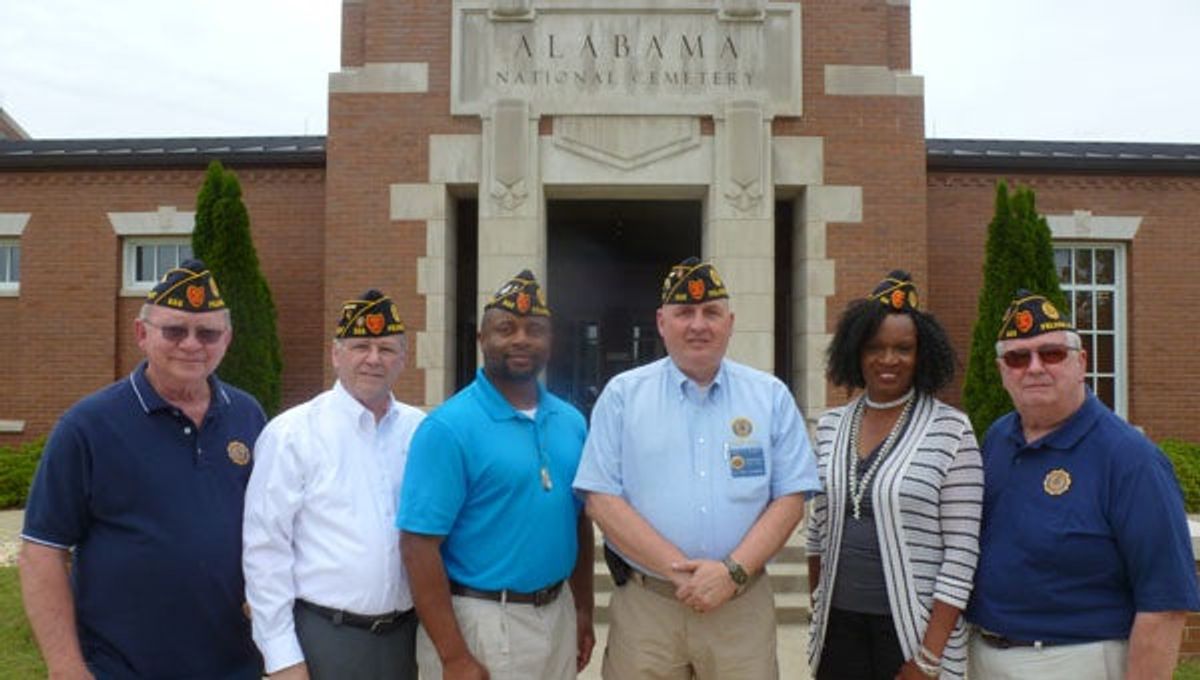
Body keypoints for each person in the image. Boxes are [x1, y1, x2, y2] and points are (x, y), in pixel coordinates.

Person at [573, 256, 820, 679]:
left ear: (730, 322)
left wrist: (731, 573)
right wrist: (683, 574)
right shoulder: (623, 396)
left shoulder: (771, 397)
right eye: (684, 312)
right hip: (648, 610)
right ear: (661, 322)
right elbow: (600, 500)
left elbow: (790, 499)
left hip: (740, 608)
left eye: (711, 312)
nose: (698, 324)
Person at [18, 259, 266, 679]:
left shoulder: (248, 416)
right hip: (123, 668)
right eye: (174, 330)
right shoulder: (87, 426)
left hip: (235, 666)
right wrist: (66, 669)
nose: (192, 344)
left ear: (227, 339)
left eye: (207, 333)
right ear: (141, 334)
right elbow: (42, 550)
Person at [966, 290, 1200, 679]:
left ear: (1082, 363)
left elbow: (1164, 604)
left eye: (1052, 353)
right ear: (1002, 370)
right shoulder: (996, 439)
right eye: (1018, 357)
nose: (1034, 367)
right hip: (982, 655)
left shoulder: (1131, 459)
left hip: (1075, 661)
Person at [398, 269, 594, 679]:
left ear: (550, 342)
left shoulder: (572, 422)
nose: (521, 338)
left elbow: (578, 520)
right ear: (481, 340)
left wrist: (582, 609)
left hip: (556, 614)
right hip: (481, 623)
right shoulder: (448, 428)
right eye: (506, 328)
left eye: (534, 329)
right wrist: (454, 657)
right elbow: (418, 546)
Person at [805, 270, 983, 680]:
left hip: (912, 634)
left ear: (923, 354)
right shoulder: (831, 425)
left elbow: (961, 553)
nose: (888, 359)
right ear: (856, 352)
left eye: (903, 348)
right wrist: (819, 607)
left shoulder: (951, 430)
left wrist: (928, 657)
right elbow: (817, 527)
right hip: (839, 628)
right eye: (875, 348)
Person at [242, 289, 425, 679]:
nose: (374, 359)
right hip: (325, 637)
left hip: (407, 637)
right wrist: (282, 658)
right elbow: (265, 551)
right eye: (361, 346)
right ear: (336, 354)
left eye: (387, 349)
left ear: (404, 359)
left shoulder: (421, 431)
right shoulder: (292, 433)